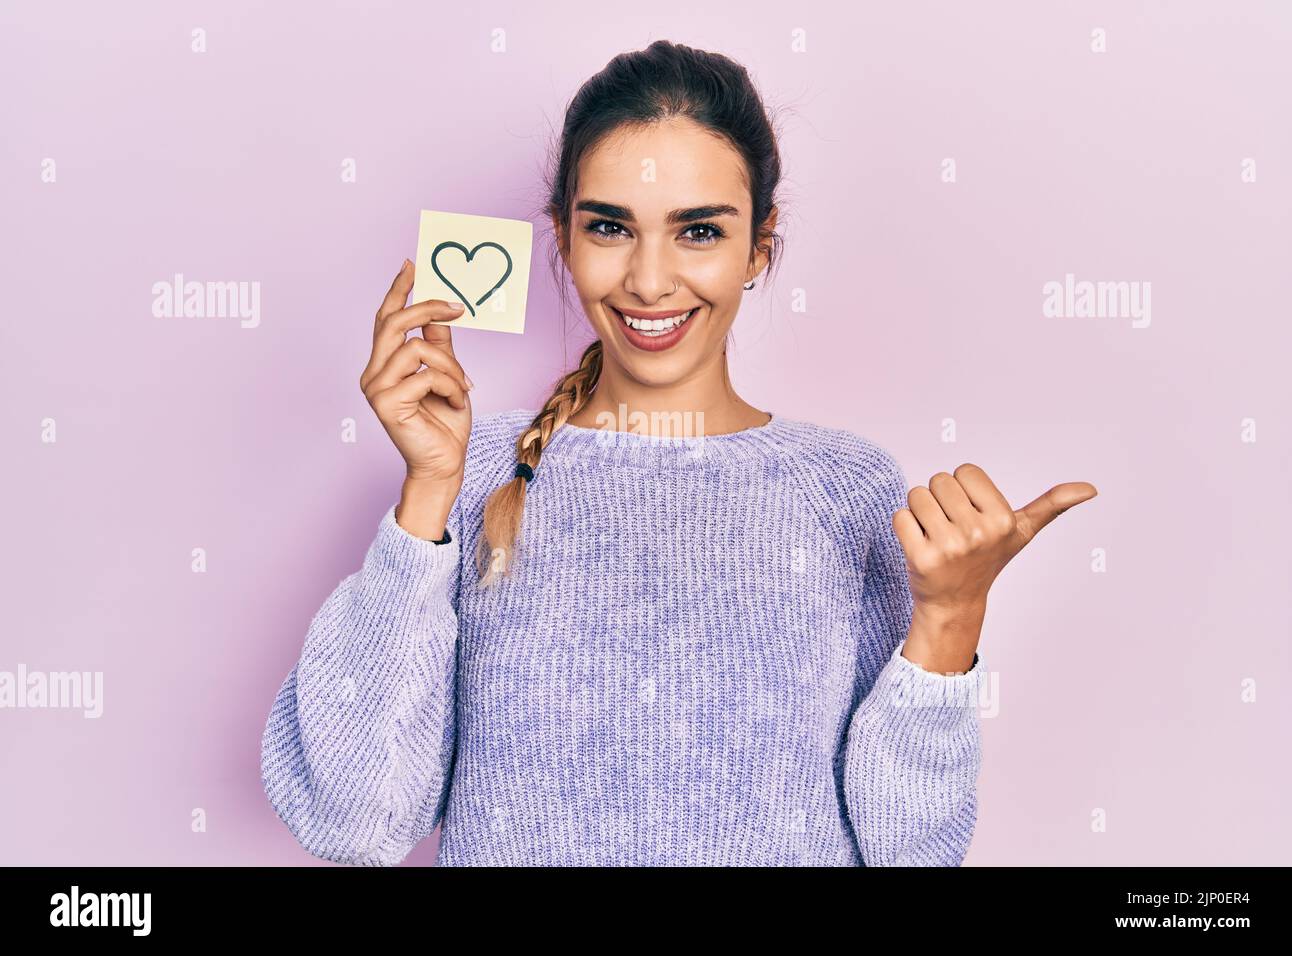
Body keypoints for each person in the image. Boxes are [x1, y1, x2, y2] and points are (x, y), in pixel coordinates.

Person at [260, 40, 1096, 866]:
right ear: (564, 239)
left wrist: (951, 618)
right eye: (611, 228)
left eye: (698, 231)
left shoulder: (846, 491)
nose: (651, 282)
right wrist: (425, 498)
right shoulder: (473, 469)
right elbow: (353, 822)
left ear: (758, 250)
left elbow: (909, 854)